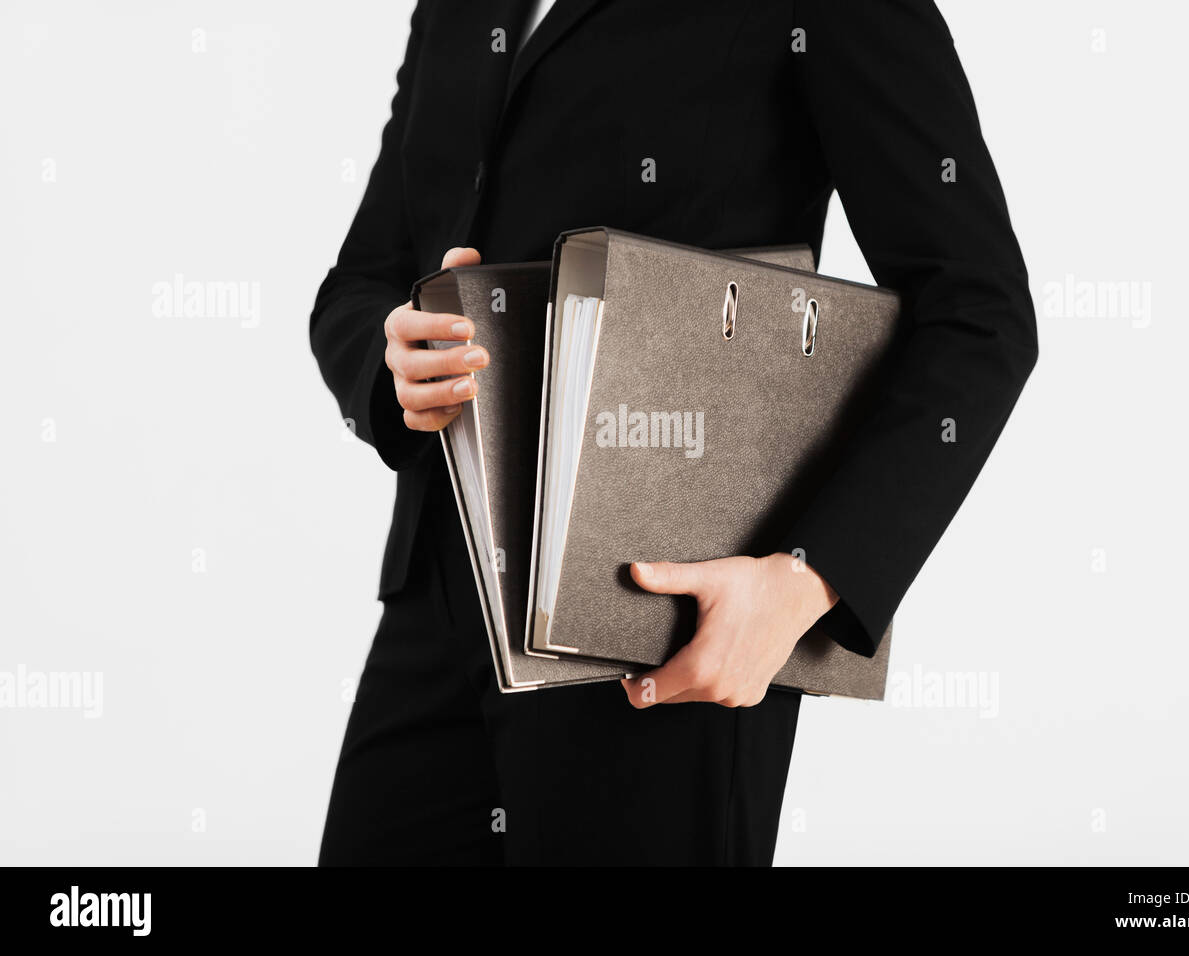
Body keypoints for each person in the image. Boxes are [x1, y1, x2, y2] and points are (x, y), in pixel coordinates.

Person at [311, 0, 1037, 865]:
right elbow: (362, 281)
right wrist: (390, 359)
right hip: (441, 591)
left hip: (667, 626)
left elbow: (979, 311)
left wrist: (808, 582)